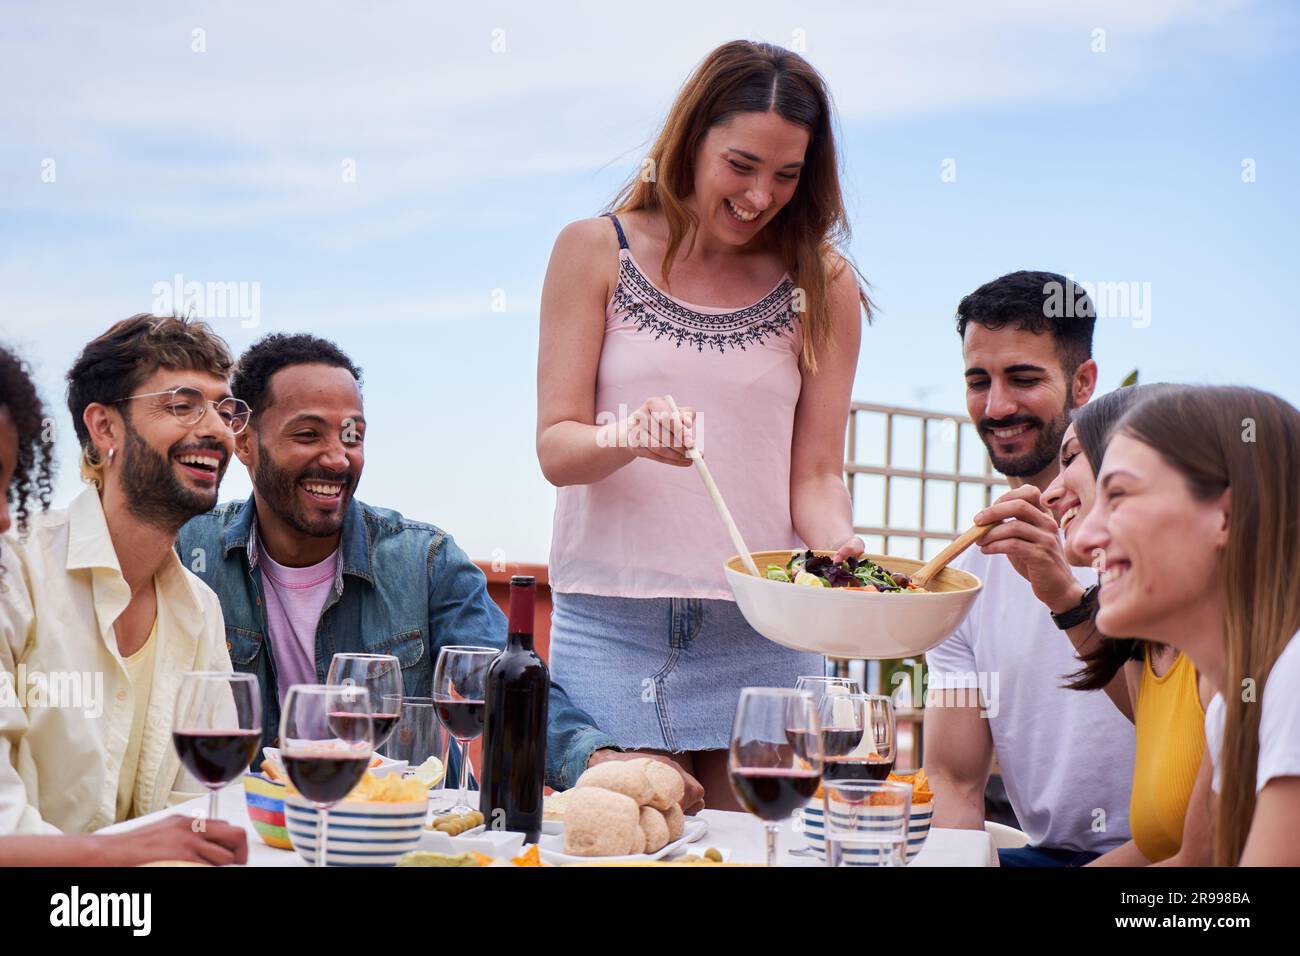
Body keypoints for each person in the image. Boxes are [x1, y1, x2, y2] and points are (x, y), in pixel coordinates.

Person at [536, 40, 871, 808]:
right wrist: (625, 439)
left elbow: (816, 475)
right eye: (742, 165)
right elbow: (557, 447)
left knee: (765, 850)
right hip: (609, 625)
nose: (761, 195)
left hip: (766, 630)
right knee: (622, 845)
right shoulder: (594, 250)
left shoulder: (824, 284)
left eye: (788, 175)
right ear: (690, 142)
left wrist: (837, 548)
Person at [176, 333, 703, 810]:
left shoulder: (424, 561)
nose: (338, 459)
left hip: (405, 834)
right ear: (244, 442)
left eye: (352, 435)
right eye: (308, 434)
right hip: (257, 834)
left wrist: (596, 761)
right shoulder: (188, 552)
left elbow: (509, 687)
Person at [0, 322, 250, 860]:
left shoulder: (200, 609)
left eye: (226, 410)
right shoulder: (15, 571)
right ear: (104, 427)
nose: (217, 430)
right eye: (183, 405)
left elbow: (207, 808)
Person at [923, 271, 1136, 866]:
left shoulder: (1146, 542)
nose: (996, 407)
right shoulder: (963, 573)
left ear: (1083, 381)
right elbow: (955, 782)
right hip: (1042, 854)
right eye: (977, 381)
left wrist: (1065, 593)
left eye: (1022, 378)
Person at [979, 384, 1212, 865]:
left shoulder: (1230, 662)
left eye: (1072, 458)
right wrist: (1062, 596)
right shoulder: (1152, 644)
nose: (1051, 491)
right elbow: (1157, 845)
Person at [1075, 385, 1300, 866]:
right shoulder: (1235, 707)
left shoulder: (1293, 680)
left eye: (1118, 495)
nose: (1083, 540)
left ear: (1226, 516)